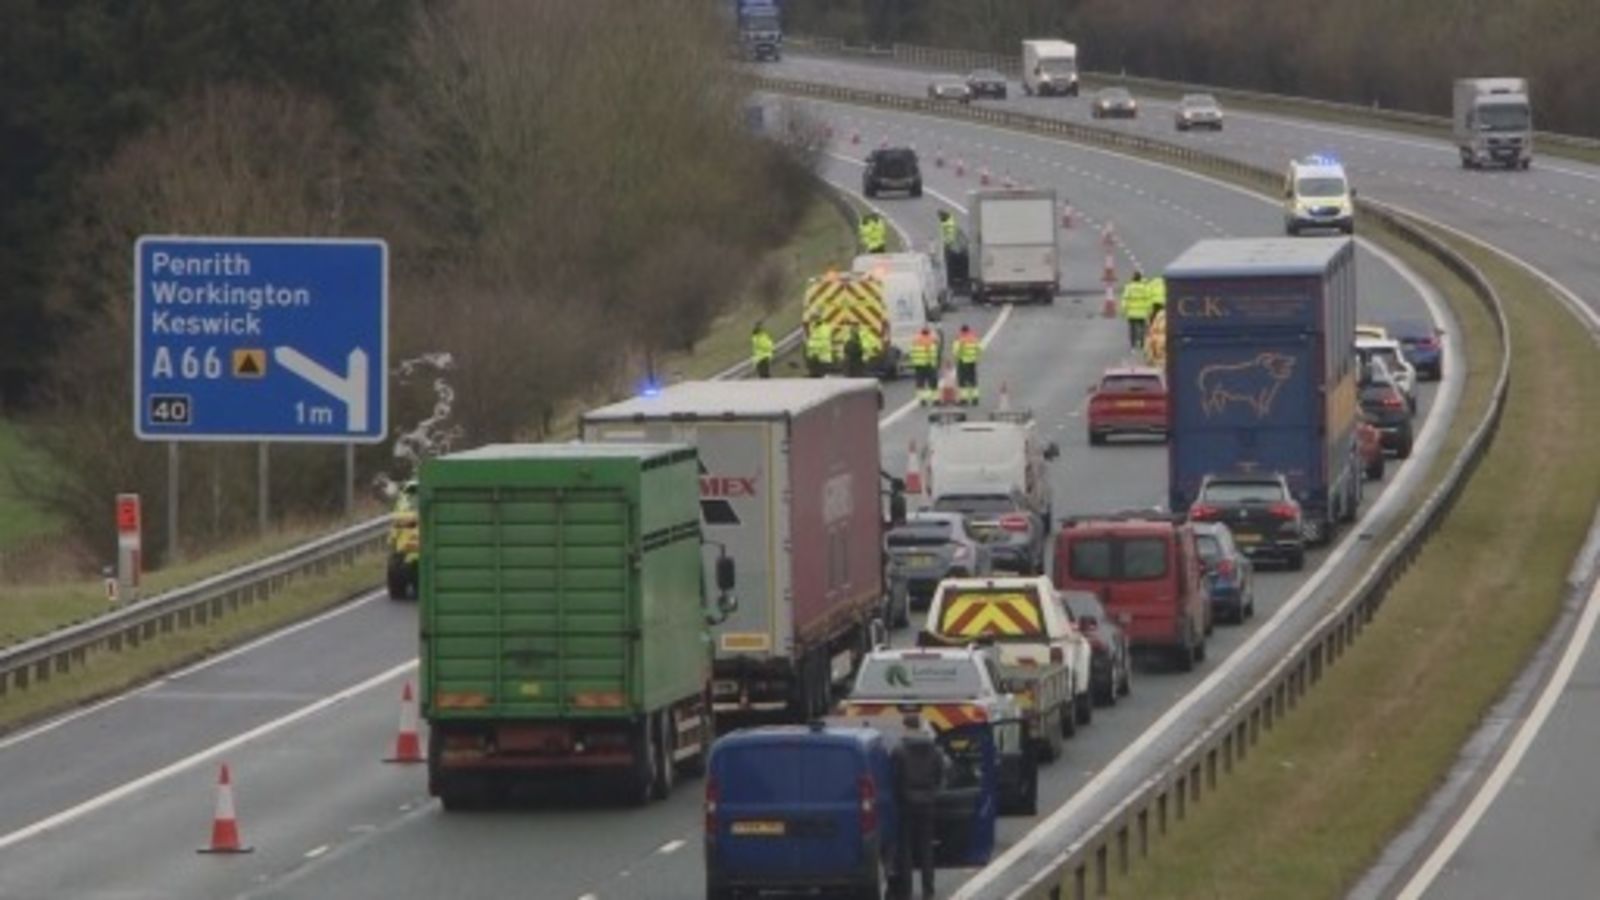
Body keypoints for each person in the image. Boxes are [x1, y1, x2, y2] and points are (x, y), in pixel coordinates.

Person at [892, 713, 946, 899]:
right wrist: (932, 792)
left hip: (906, 802)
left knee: (905, 848)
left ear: (906, 727)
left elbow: (894, 778)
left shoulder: (899, 750)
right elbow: (940, 775)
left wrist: (900, 795)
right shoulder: (934, 750)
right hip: (928, 802)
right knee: (926, 848)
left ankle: (906, 891)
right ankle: (928, 891)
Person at [1120, 270, 1153, 350]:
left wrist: (1123, 309)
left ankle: (1133, 343)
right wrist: (1150, 310)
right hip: (1142, 312)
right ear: (1140, 278)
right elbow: (1149, 299)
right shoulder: (1145, 287)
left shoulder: (1129, 287)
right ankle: (1142, 343)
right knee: (1142, 328)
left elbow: (1125, 299)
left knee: (1132, 328)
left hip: (1131, 312)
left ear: (1133, 278)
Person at [910, 326, 940, 406]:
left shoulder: (916, 340)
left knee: (920, 383)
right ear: (928, 332)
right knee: (933, 383)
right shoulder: (931, 340)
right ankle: (935, 400)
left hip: (919, 365)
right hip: (929, 364)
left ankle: (922, 400)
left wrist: (914, 362)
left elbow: (912, 353)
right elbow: (934, 354)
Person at [953, 324, 982, 406]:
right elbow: (979, 349)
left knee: (962, 380)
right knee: (972, 380)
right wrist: (976, 357)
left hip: (963, 361)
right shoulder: (974, 338)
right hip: (972, 362)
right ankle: (975, 399)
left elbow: (956, 350)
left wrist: (957, 357)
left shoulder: (960, 339)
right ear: (969, 330)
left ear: (962, 331)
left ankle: (964, 399)